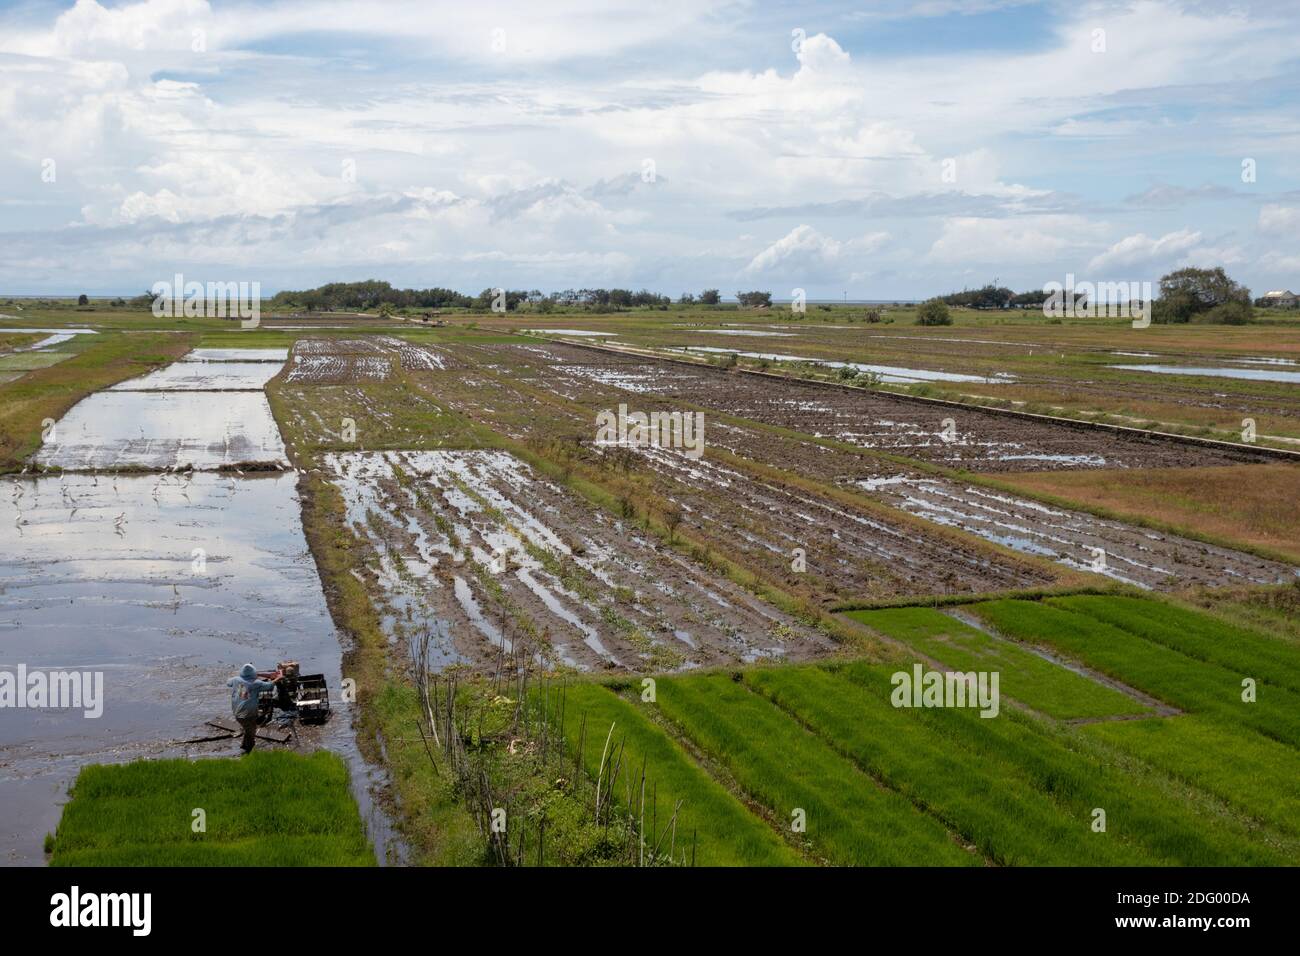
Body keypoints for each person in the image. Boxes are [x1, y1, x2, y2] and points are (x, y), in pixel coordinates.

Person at [226, 663, 279, 754]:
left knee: (247, 729)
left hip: (237, 712)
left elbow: (228, 682)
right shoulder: (256, 683)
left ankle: (243, 745)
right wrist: (278, 678)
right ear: (254, 674)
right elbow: (270, 686)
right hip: (248, 713)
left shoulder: (235, 680)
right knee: (251, 732)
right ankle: (248, 751)